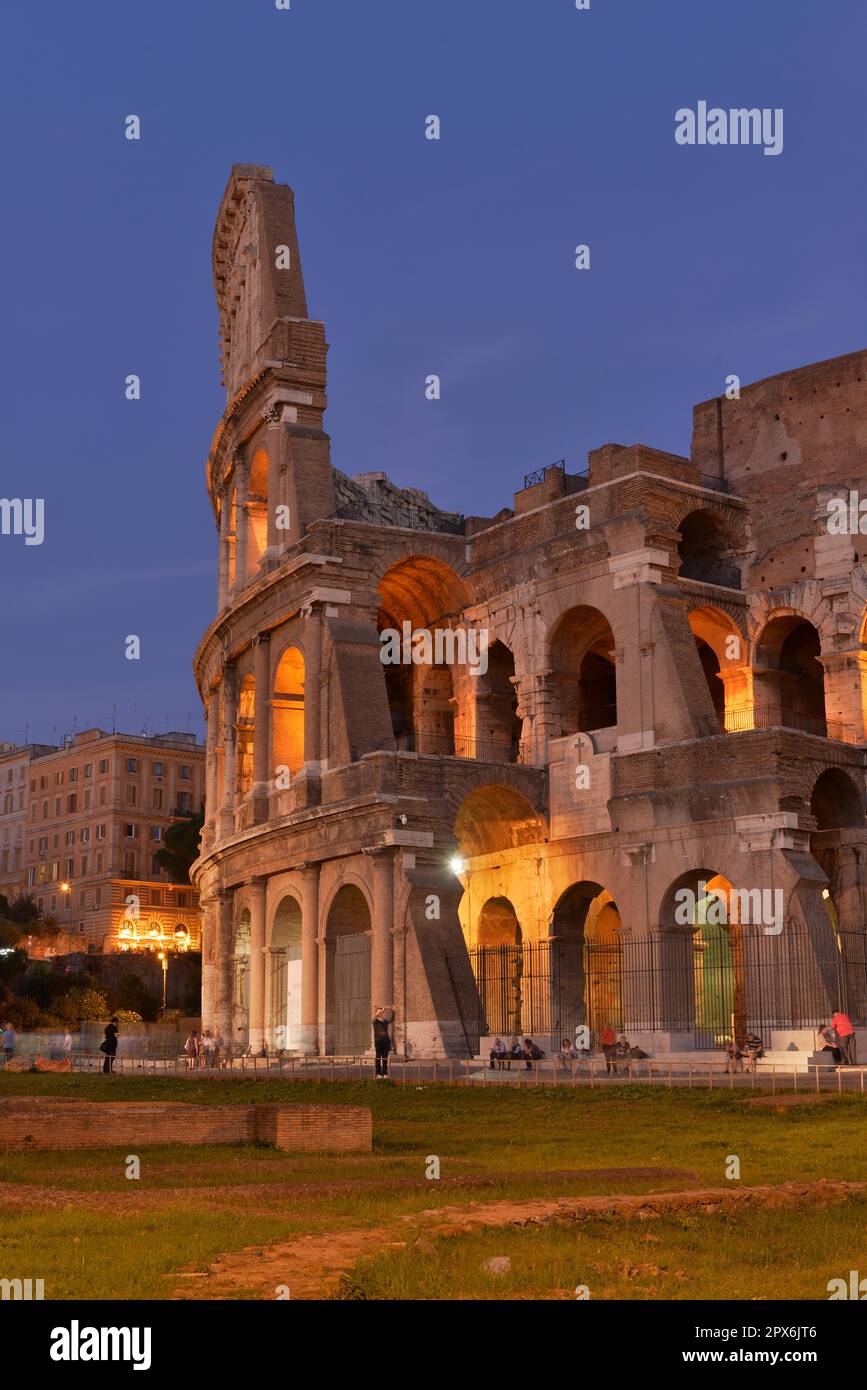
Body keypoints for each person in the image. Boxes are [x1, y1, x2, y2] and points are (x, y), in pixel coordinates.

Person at [372, 1005, 394, 1079]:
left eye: (381, 1011)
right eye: (379, 1011)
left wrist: (392, 1010)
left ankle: (384, 1073)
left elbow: (392, 1018)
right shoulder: (375, 1021)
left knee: (385, 1058)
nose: (381, 1012)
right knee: (378, 1057)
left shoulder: (385, 1021)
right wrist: (381, 1010)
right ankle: (378, 1073)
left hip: (386, 1042)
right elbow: (376, 1016)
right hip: (378, 1041)